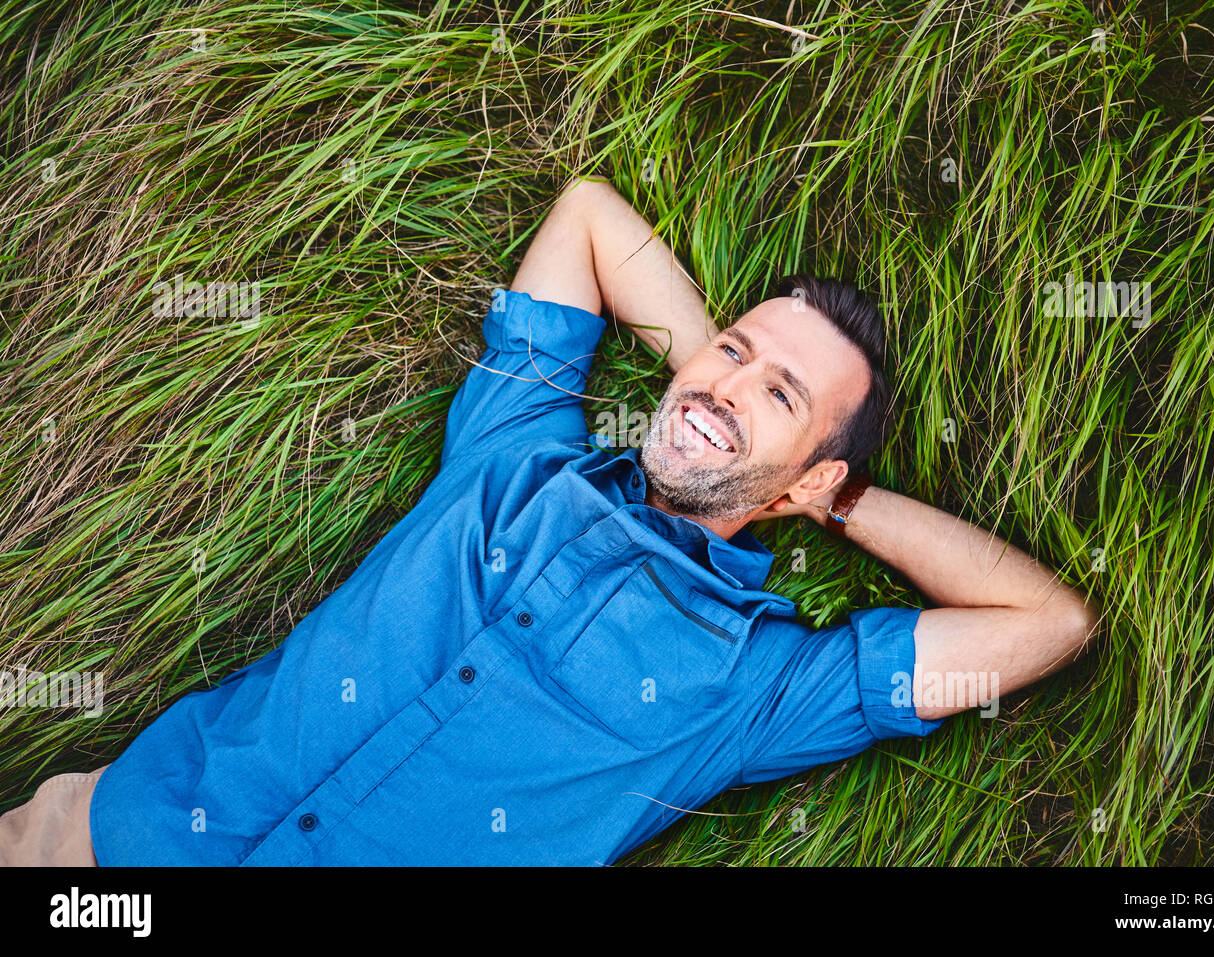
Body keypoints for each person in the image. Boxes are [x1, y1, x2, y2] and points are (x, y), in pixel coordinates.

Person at [0, 176, 1099, 866]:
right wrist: (718, 384)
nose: (728, 383)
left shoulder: (754, 688)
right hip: (101, 850)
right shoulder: (515, 450)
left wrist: (838, 498)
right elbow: (585, 213)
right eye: (733, 348)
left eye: (782, 397)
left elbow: (1046, 623)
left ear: (808, 481)